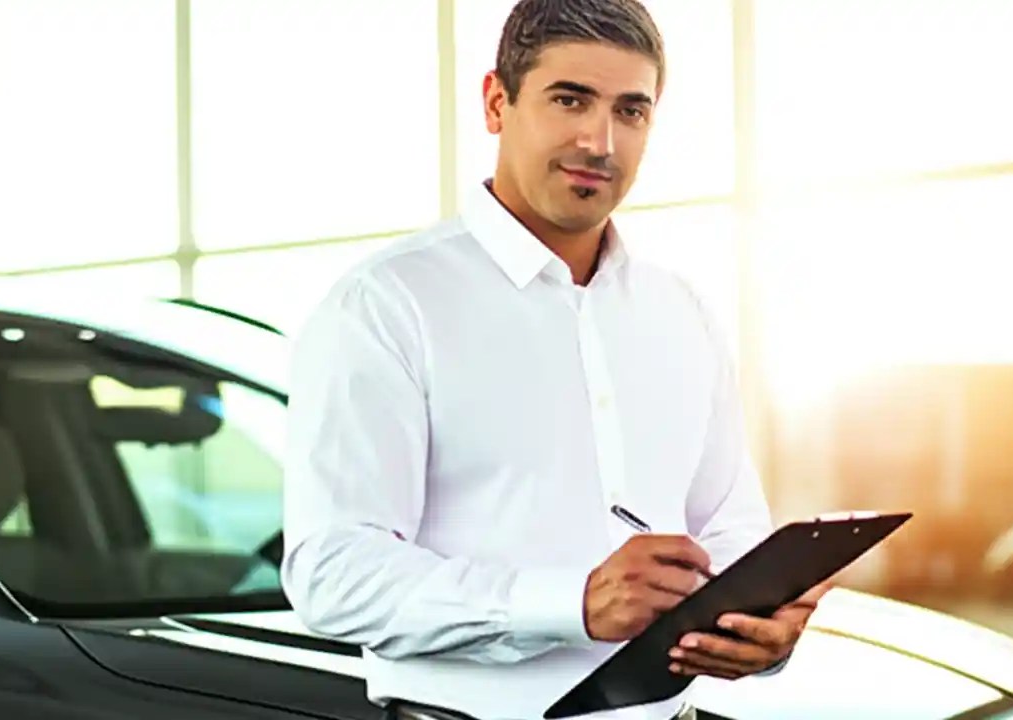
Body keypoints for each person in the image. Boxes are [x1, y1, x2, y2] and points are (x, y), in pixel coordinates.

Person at [280, 0, 829, 718]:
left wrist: (765, 625)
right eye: (570, 100)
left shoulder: (681, 312)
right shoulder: (386, 304)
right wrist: (570, 602)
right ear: (496, 102)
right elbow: (333, 572)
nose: (599, 141)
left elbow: (727, 524)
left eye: (631, 112)